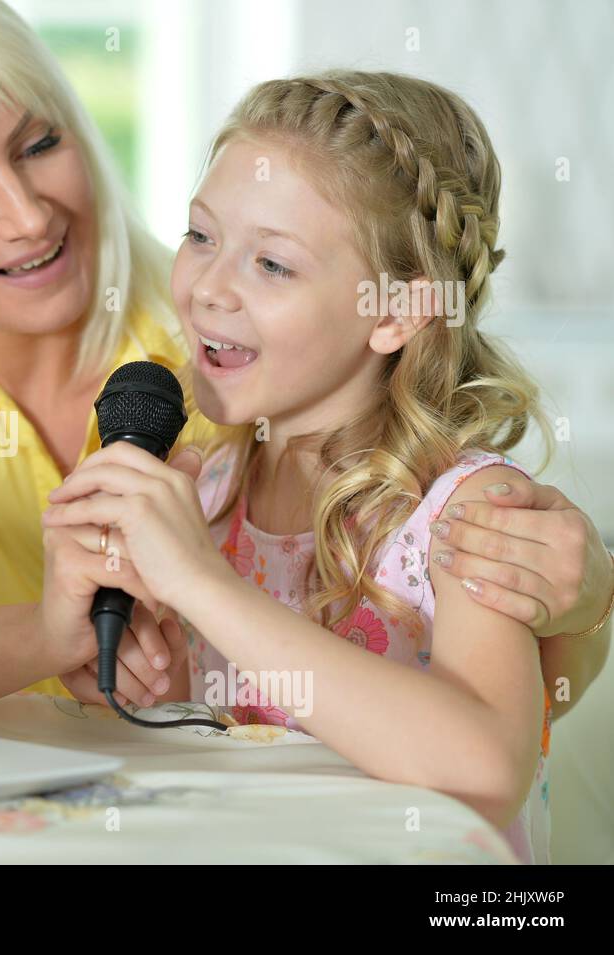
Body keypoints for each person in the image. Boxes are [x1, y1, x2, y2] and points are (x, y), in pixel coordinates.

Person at [0, 0, 612, 723]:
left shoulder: (226, 353)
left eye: (40, 145)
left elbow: (488, 718)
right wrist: (51, 638)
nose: (29, 216)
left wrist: (589, 603)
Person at [43, 71, 613, 863]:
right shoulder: (208, 490)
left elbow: (484, 770)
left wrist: (202, 582)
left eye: (272, 265)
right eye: (200, 235)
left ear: (396, 312)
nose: (207, 288)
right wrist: (152, 681)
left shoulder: (467, 512)